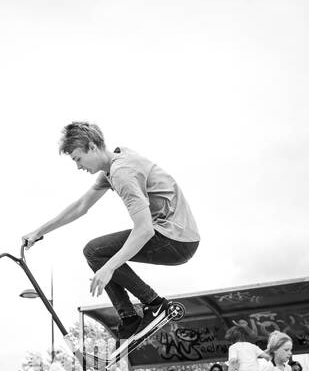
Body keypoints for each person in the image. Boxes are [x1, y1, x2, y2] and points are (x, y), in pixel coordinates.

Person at [23, 122, 200, 344]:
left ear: (92, 147)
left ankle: (154, 305)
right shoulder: (114, 164)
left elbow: (144, 230)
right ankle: (130, 318)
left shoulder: (121, 173)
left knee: (97, 253)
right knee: (95, 251)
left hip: (176, 239)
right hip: (175, 235)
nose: (78, 167)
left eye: (78, 159)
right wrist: (39, 231)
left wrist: (109, 268)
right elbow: (81, 206)